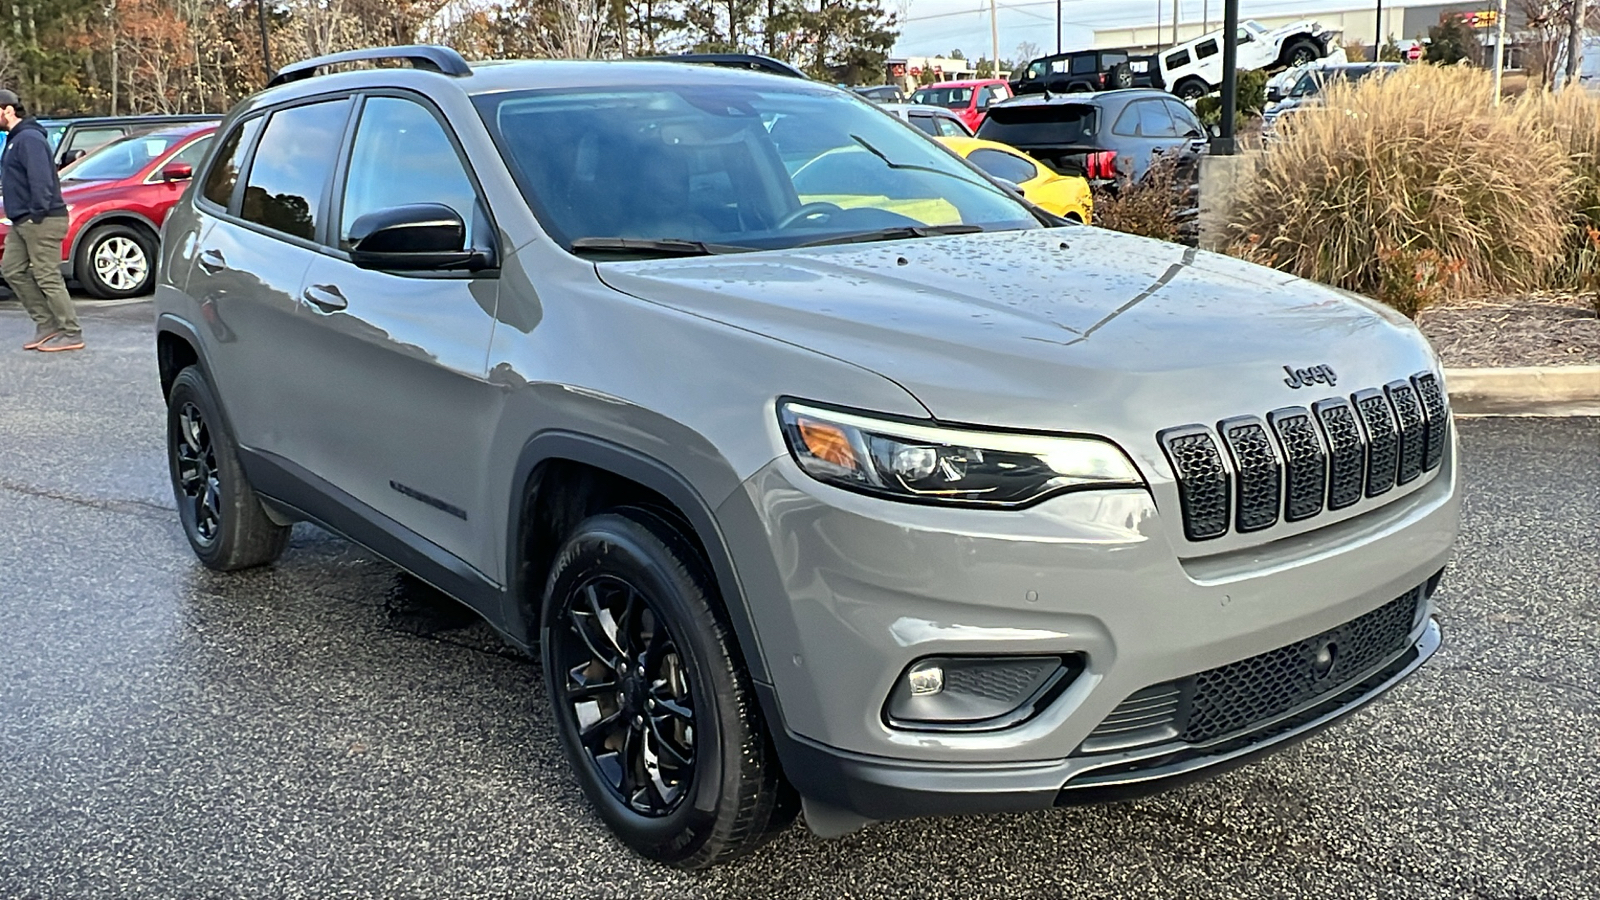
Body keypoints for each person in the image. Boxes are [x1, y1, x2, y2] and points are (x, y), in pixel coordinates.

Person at [0, 89, 83, 352]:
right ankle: (47, 324)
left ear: (8, 110)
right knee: (12, 269)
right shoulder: (15, 140)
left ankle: (72, 332)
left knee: (47, 275)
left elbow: (41, 181)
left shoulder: (29, 139)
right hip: (22, 220)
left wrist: (37, 213)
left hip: (42, 219)